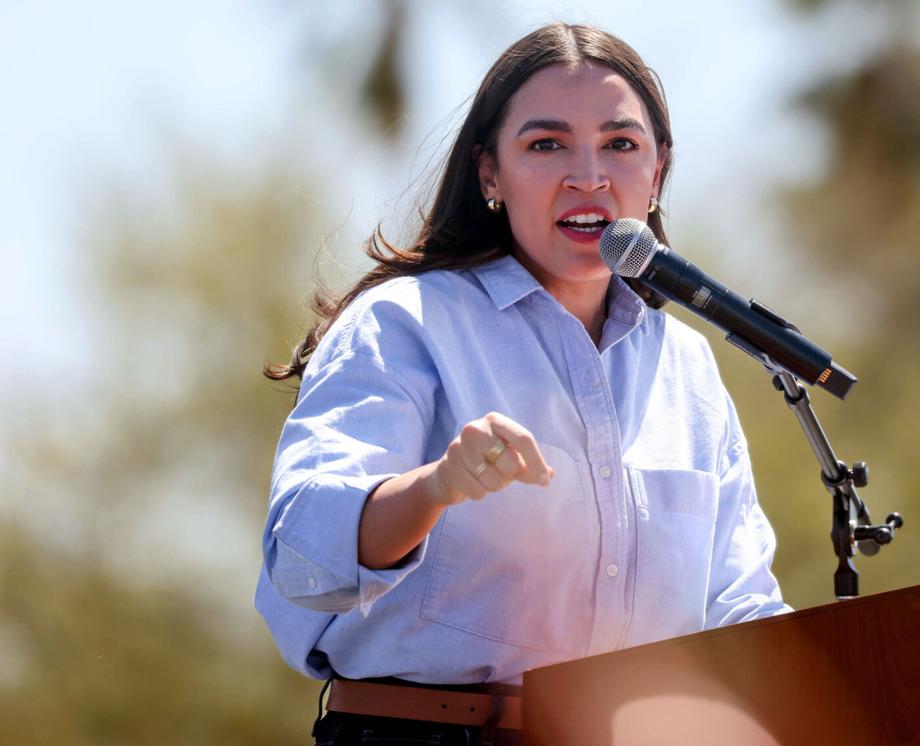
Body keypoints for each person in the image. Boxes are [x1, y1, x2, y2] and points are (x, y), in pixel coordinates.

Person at [256, 22, 791, 744]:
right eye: (546, 145)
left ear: (658, 171)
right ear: (489, 174)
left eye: (620, 144)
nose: (588, 174)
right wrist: (435, 488)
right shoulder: (404, 323)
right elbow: (302, 554)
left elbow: (740, 607)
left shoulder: (687, 366)